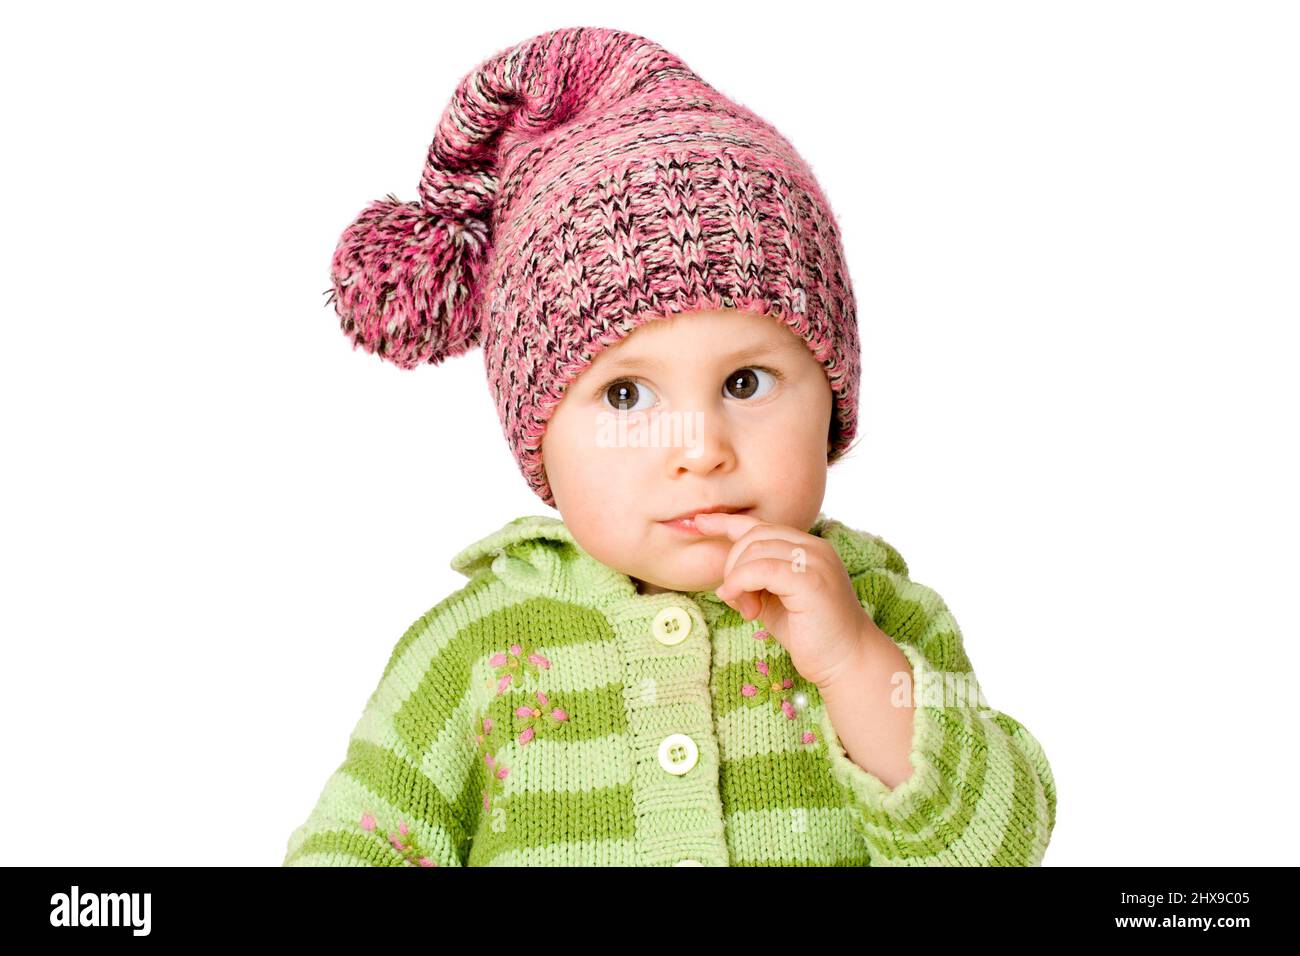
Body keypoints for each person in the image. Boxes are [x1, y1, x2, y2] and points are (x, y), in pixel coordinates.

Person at [283, 26, 1056, 866]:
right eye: (626, 395)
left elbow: (1002, 847)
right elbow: (352, 848)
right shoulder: (473, 649)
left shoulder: (881, 617)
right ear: (538, 432)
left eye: (746, 384)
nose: (700, 449)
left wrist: (855, 666)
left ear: (832, 400)